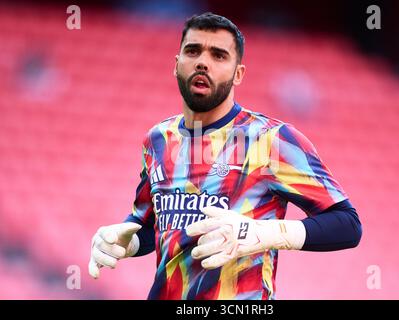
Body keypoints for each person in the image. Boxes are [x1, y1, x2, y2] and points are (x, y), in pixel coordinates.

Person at [88, 12, 362, 300]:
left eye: (219, 55)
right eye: (193, 51)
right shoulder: (158, 139)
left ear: (238, 73)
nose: (203, 62)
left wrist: (262, 233)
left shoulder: (271, 139)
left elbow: (347, 225)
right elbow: (150, 225)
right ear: (177, 64)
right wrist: (125, 242)